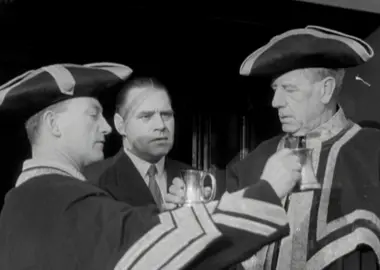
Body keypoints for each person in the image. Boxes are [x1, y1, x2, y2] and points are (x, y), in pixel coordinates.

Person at [0, 62, 303, 270]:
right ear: (53, 124)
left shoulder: (24, 199)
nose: (105, 127)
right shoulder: (58, 197)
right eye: (93, 115)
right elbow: (144, 239)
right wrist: (268, 190)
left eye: (167, 115)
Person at [225, 25, 380, 270]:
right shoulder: (253, 164)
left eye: (289, 90)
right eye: (275, 89)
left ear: (325, 90)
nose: (276, 102)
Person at [84, 77, 191, 210]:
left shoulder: (193, 178)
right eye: (146, 116)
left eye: (166, 115)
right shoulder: (92, 180)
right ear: (120, 125)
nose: (161, 125)